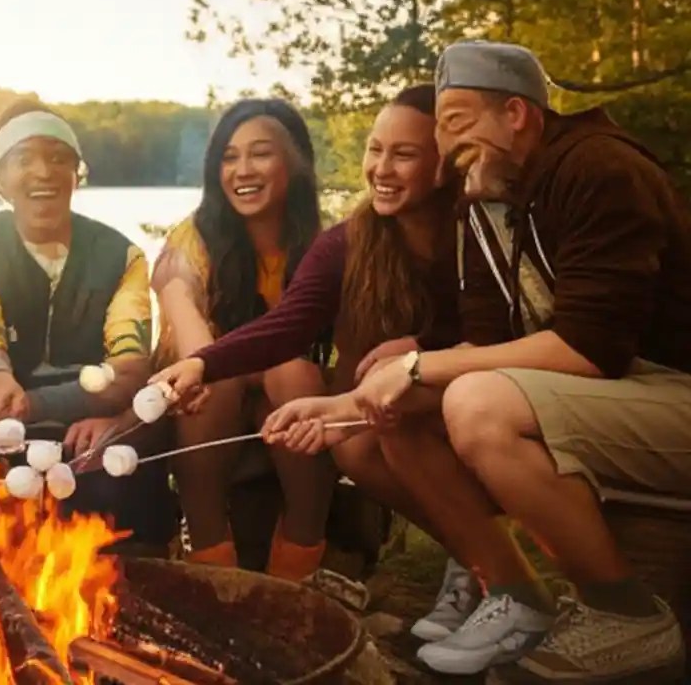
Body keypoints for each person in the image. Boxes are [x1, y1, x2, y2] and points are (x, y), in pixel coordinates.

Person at [334, 41, 689, 679]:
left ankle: (628, 615)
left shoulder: (599, 169)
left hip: (675, 394)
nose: (446, 146)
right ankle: (517, 596)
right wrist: (347, 403)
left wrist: (418, 366)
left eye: (457, 122)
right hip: (620, 398)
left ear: (518, 115)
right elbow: (482, 344)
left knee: (474, 401)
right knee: (395, 415)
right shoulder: (483, 203)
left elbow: (590, 347)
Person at [153, 85, 529, 630]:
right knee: (308, 411)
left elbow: (497, 326)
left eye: (402, 154)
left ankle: (473, 567)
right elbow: (259, 318)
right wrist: (203, 364)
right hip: (253, 397)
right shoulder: (347, 240)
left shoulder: (470, 228)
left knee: (310, 384)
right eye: (374, 151)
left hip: (476, 383)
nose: (381, 168)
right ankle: (215, 570)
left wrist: (420, 349)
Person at [0, 98, 174, 553]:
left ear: (77, 174)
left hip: (88, 413)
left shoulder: (122, 256)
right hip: (4, 412)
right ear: (1, 179)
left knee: (113, 479)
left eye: (58, 159)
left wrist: (34, 404)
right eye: (23, 160)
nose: (43, 173)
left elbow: (129, 371)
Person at [137, 98, 330, 576]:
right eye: (228, 156)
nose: (242, 169)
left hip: (277, 400)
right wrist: (211, 366)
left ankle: (300, 559)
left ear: (295, 161)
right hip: (203, 396)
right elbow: (186, 320)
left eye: (261, 153)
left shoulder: (320, 245)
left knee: (294, 375)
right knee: (218, 379)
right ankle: (210, 559)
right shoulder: (191, 241)